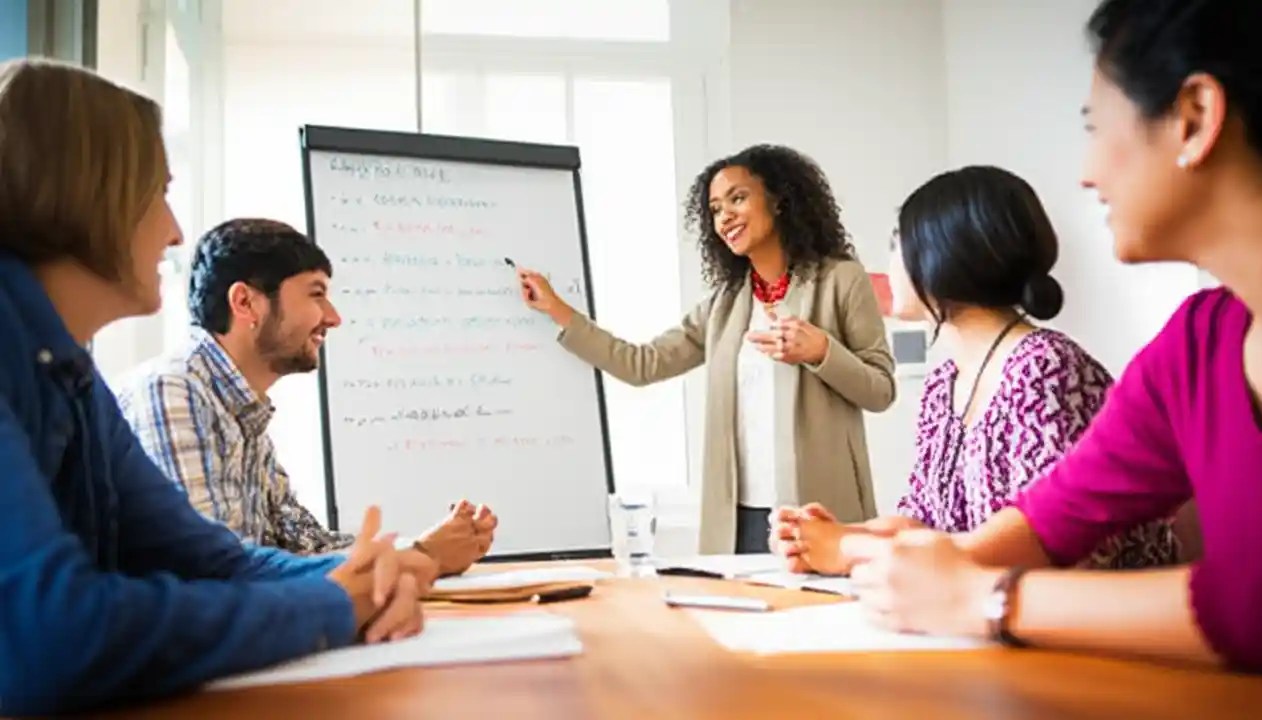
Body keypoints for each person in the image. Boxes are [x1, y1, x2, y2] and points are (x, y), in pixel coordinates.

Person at [797, 0, 1262, 673]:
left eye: (1095, 127)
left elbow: (1259, 601)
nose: (1085, 173)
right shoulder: (1195, 346)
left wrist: (987, 599)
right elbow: (1052, 517)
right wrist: (893, 563)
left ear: (1195, 119)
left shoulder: (1046, 365)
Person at [0, 59, 428, 716]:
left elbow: (213, 561)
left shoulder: (72, 376)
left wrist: (368, 576)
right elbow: (56, 632)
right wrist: (335, 600)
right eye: (158, 194)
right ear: (92, 195)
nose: (173, 231)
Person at [771, 166, 1178, 575]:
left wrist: (853, 548)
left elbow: (1057, 547)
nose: (889, 262)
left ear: (945, 253)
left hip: (1083, 621)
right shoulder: (942, 384)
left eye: (898, 242)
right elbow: (922, 519)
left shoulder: (1045, 370)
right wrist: (827, 536)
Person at [518, 145, 896, 553]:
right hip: (740, 520)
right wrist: (558, 310)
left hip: (820, 515)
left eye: (737, 198)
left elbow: (880, 390)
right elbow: (643, 364)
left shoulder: (842, 280)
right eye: (715, 209)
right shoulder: (726, 304)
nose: (725, 217)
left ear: (781, 200)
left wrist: (821, 351)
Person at [115, 219, 497, 576]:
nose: (333, 317)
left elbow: (307, 546)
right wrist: (420, 557)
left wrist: (424, 549)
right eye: (317, 295)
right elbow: (212, 571)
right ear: (245, 303)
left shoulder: (243, 410)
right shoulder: (171, 392)